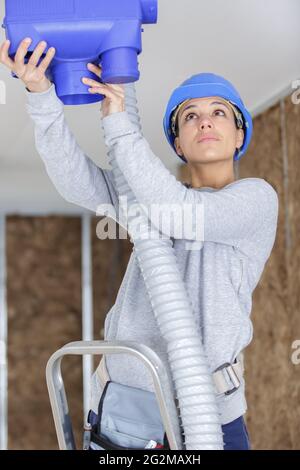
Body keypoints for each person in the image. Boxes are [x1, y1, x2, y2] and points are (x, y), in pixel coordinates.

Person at [0, 38, 278, 450]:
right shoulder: (145, 197)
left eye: (219, 113)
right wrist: (41, 97)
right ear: (178, 144)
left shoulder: (256, 199)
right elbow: (77, 182)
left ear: (240, 136)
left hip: (210, 417)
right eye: (190, 116)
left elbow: (176, 209)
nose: (205, 122)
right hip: (126, 414)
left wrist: (118, 124)